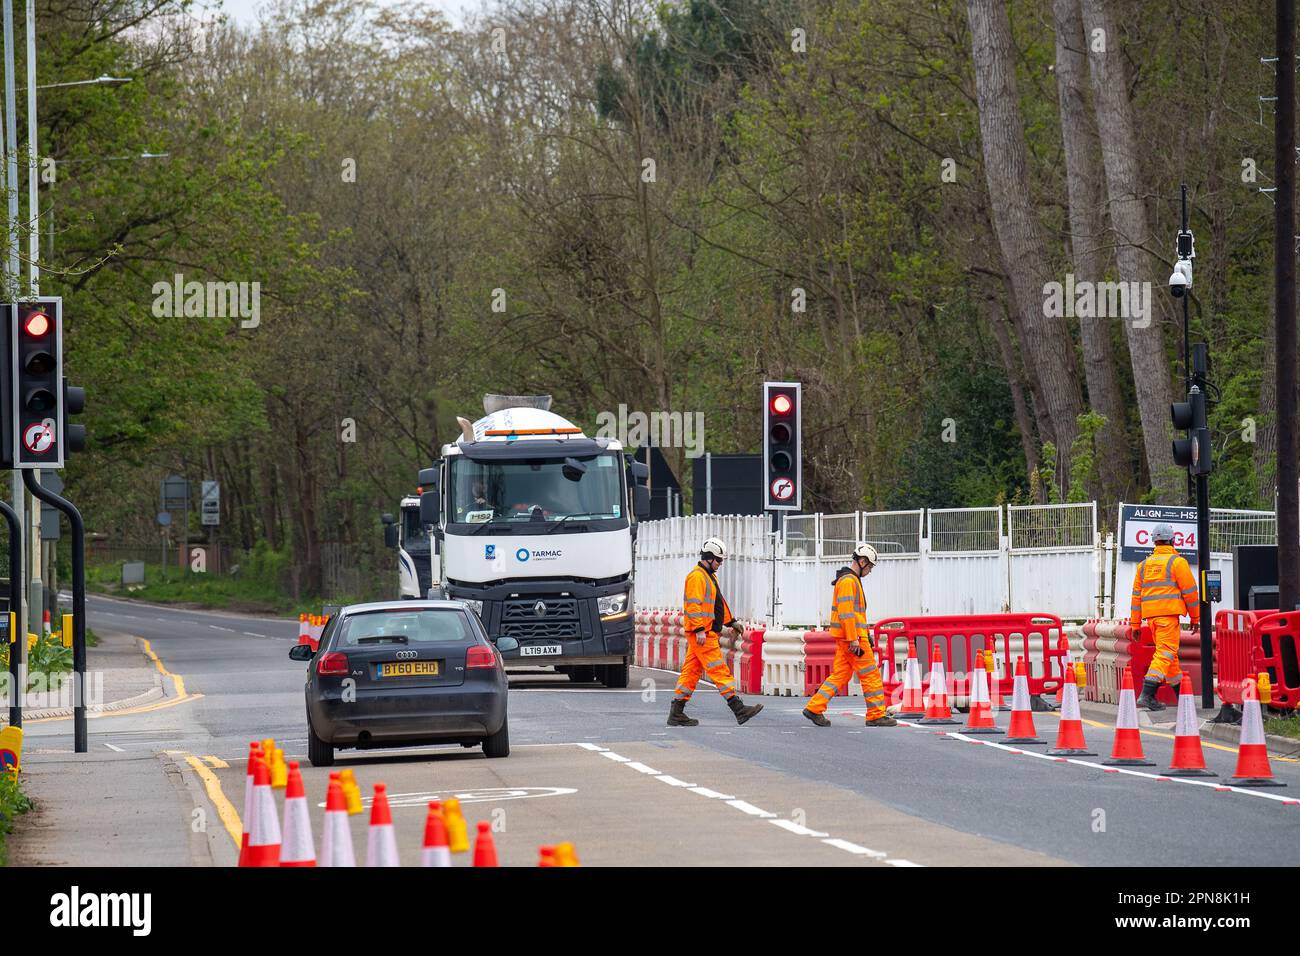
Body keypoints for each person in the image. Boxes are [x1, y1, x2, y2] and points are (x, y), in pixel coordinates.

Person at [667, 537, 764, 727]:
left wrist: (731, 621)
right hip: (703, 634)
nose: (720, 564)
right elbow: (693, 606)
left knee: (691, 673)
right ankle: (739, 709)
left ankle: (676, 713)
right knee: (719, 671)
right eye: (718, 560)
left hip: (704, 633)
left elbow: (718, 603)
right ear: (709, 557)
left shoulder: (708, 576)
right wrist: (700, 630)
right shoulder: (697, 576)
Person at [803, 543, 897, 728]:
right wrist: (855, 638)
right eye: (869, 566)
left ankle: (814, 708)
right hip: (853, 639)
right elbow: (847, 614)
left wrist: (864, 634)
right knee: (870, 675)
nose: (870, 571)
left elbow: (856, 614)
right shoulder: (848, 581)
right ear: (862, 562)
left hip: (851, 637)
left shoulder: (849, 580)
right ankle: (876, 714)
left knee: (839, 675)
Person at [1129, 523, 1199, 711]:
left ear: (1154, 541)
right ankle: (1147, 694)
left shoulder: (1143, 566)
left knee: (1170, 657)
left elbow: (1136, 597)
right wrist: (1195, 618)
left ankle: (1183, 700)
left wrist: (1135, 624)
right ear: (1173, 541)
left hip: (1152, 619)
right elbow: (1191, 592)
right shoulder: (1177, 562)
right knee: (1165, 654)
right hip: (1168, 617)